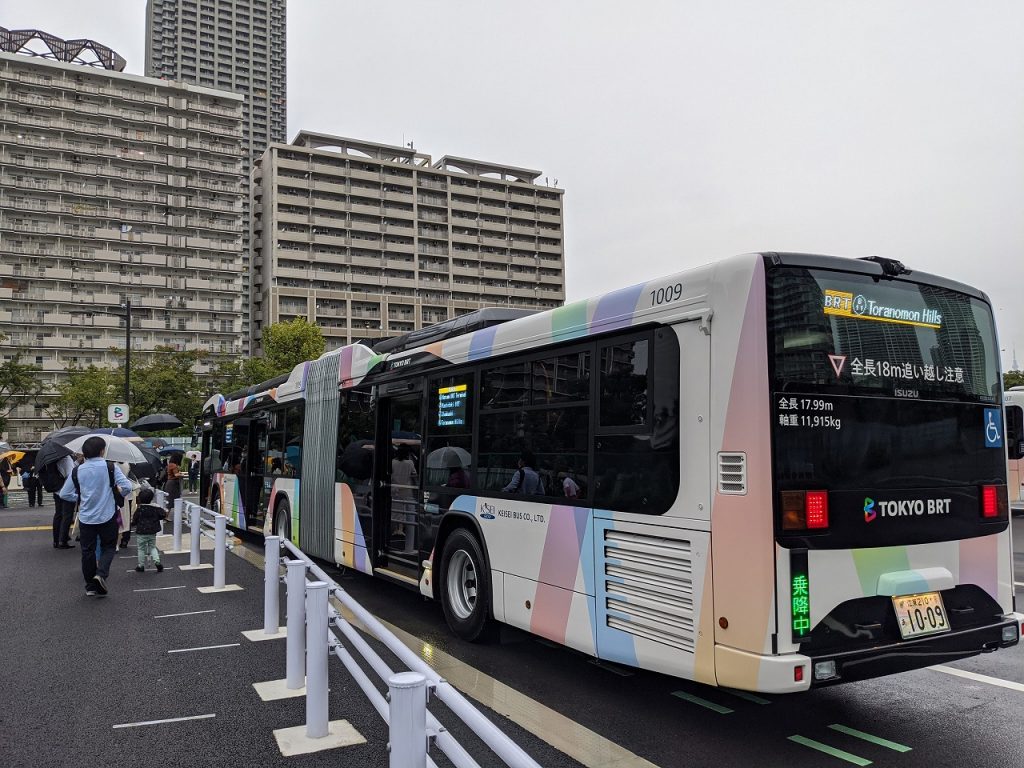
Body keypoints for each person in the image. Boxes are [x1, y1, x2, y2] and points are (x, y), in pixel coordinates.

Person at [58, 437, 133, 597]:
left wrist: (79, 498)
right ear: (102, 451)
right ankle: (101, 574)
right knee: (109, 547)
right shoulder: (110, 467)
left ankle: (90, 587)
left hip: (86, 517)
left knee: (87, 551)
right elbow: (127, 486)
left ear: (84, 452)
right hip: (108, 515)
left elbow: (64, 493)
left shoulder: (78, 470)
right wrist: (116, 495)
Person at [131, 487, 166, 573]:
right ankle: (157, 562)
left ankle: (141, 565)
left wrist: (132, 524)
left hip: (141, 532)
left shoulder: (139, 509)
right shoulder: (154, 508)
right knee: (152, 547)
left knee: (141, 548)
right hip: (152, 532)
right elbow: (163, 514)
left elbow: (134, 520)